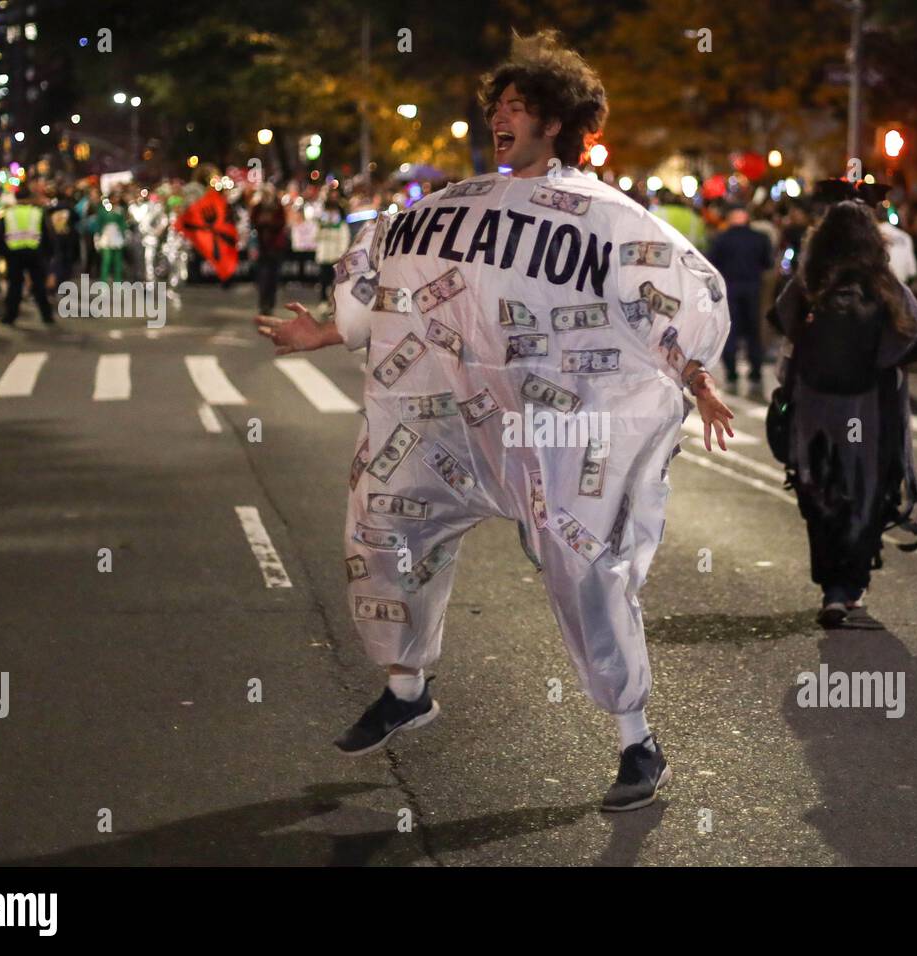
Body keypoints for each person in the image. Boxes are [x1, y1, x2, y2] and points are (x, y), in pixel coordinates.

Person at [254, 30, 734, 812]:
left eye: (518, 107)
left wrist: (695, 375)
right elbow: (381, 270)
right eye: (497, 107)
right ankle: (408, 688)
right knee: (382, 524)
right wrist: (330, 329)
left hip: (557, 428)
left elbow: (666, 296)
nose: (500, 120)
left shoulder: (608, 217)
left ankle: (636, 739)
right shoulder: (450, 205)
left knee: (583, 567)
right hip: (444, 420)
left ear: (558, 118)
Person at [773, 200, 917, 628]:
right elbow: (915, 330)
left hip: (814, 404)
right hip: (866, 405)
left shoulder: (809, 281)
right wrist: (880, 361)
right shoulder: (880, 282)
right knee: (864, 490)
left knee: (819, 489)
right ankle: (850, 584)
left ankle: (830, 584)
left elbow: (783, 320)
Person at [707, 203, 772, 395]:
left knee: (730, 331)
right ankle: (756, 371)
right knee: (754, 331)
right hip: (753, 288)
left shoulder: (721, 239)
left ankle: (732, 372)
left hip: (730, 289)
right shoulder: (760, 238)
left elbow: (712, 263)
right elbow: (767, 263)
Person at [0, 185, 54, 326]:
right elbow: (46, 235)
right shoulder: (37, 213)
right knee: (38, 285)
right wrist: (48, 255)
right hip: (34, 253)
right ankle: (46, 315)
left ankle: (10, 316)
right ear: (29, 198)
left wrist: (1, 254)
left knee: (14, 287)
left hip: (14, 253)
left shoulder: (7, 214)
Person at [251, 184, 288, 313]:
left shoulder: (278, 207)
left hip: (276, 247)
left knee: (273, 277)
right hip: (262, 246)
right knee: (263, 276)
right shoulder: (258, 207)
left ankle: (270, 303)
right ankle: (263, 303)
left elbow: (282, 223)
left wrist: (269, 222)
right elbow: (253, 221)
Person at [314, 190, 350, 304]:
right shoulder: (321, 222)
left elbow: (344, 238)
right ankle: (323, 301)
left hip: (335, 256)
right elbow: (315, 237)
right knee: (323, 280)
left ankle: (334, 302)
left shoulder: (341, 223)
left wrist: (341, 253)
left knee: (335, 281)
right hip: (324, 255)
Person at [652, 187, 707, 251]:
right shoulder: (694, 217)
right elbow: (703, 244)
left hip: (663, 257)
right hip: (689, 257)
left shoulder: (656, 214)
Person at [876, 205, 917, 285]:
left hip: (879, 288)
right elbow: (912, 271)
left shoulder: (871, 235)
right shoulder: (905, 237)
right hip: (901, 287)